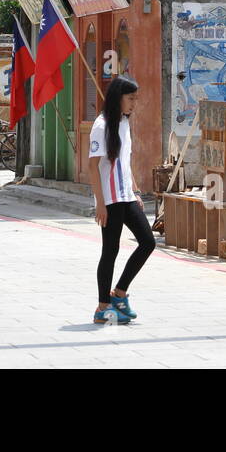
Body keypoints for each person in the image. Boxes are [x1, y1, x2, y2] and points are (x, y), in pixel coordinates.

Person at [87, 75, 155, 324]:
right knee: (110, 251)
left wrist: (135, 191)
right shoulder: (101, 126)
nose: (134, 104)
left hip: (126, 196)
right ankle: (102, 306)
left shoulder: (124, 124)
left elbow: (124, 163)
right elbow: (93, 167)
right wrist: (101, 204)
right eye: (131, 99)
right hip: (110, 201)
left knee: (148, 242)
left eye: (136, 99)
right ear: (118, 98)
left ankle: (120, 293)